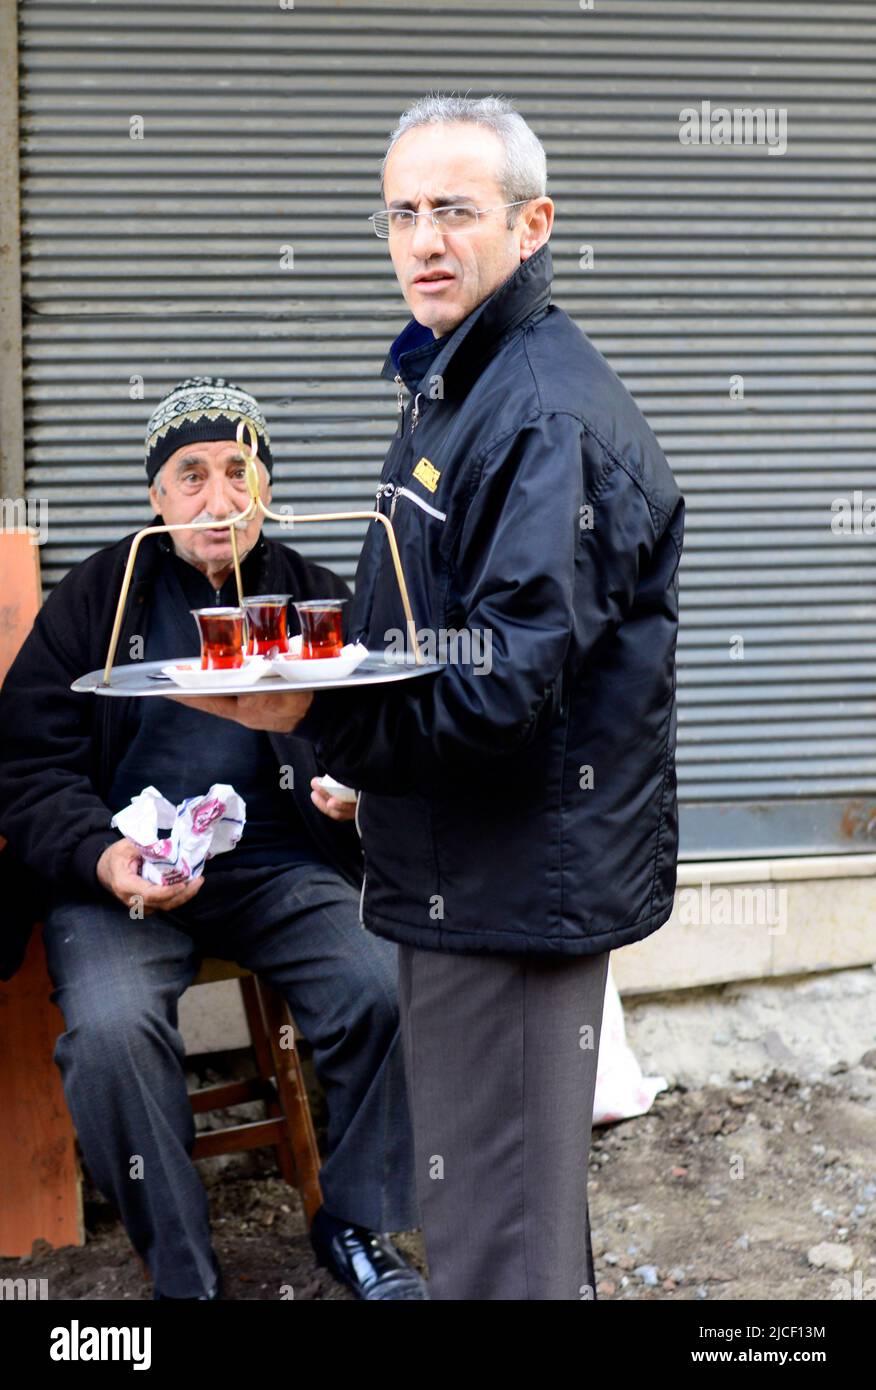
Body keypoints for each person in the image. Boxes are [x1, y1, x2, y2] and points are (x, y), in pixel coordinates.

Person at [161, 93, 686, 1301]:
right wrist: (363, 754)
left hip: (512, 882)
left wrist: (324, 718)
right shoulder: (465, 377)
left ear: (533, 223)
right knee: (508, 1225)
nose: (424, 240)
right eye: (403, 213)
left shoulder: (542, 413)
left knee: (499, 1242)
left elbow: (505, 684)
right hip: (463, 858)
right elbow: (443, 623)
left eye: (456, 209)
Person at [0, 377, 428, 1300]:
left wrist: (356, 789)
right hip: (122, 880)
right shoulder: (97, 600)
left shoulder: (312, 596)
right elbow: (25, 766)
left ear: (266, 487)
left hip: (281, 865)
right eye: (191, 476)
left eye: (240, 472)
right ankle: (183, 1272)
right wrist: (103, 857)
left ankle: (356, 1223)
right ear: (157, 496)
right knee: (111, 1036)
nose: (219, 500)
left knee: (387, 985)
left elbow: (382, 737)